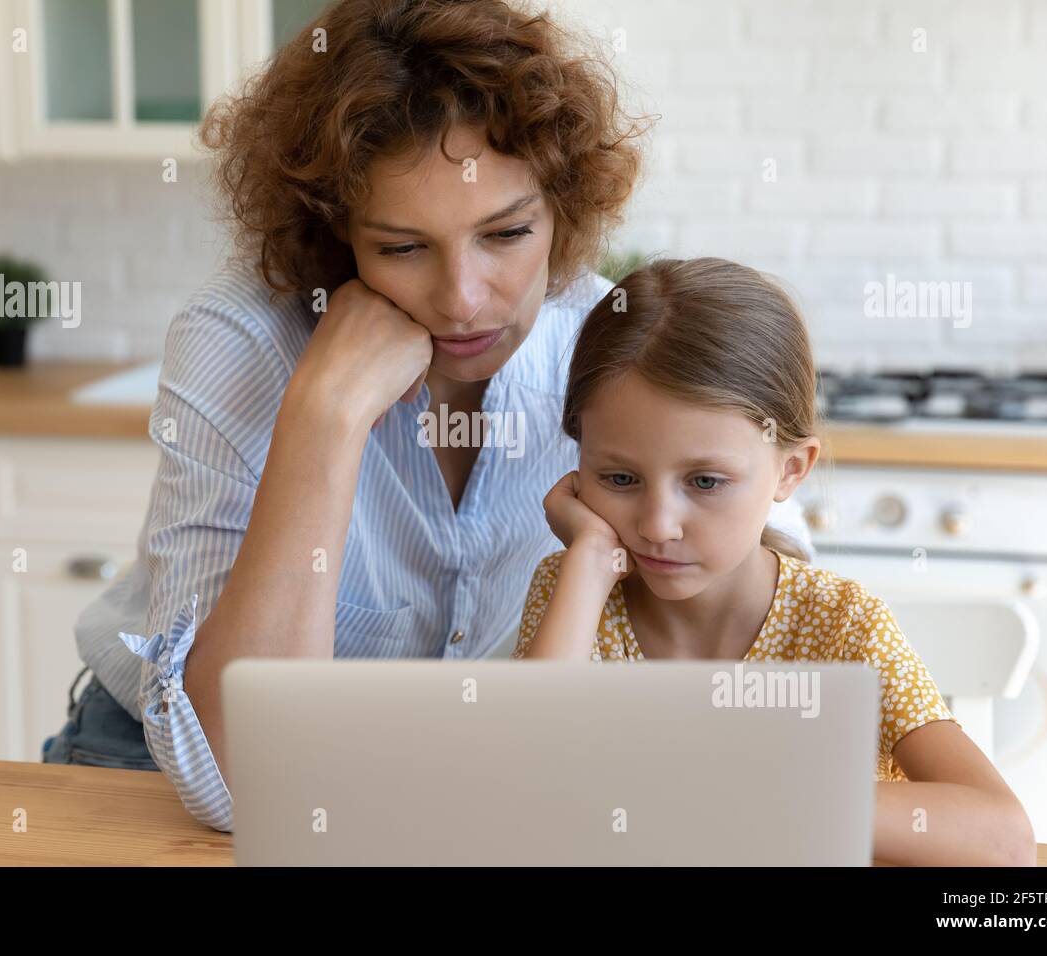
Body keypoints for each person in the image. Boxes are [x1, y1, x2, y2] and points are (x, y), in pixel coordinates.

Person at [42, 0, 813, 833]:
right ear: (336, 238)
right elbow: (240, 784)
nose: (463, 298)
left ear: (562, 210)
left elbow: (772, 605)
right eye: (403, 248)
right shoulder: (242, 341)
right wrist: (325, 415)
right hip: (152, 788)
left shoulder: (611, 340)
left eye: (507, 233)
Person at [512, 256, 1037, 866]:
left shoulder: (843, 623)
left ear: (789, 470)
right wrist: (591, 554)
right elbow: (527, 796)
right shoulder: (573, 592)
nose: (656, 525)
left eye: (705, 482)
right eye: (619, 477)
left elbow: (1003, 839)